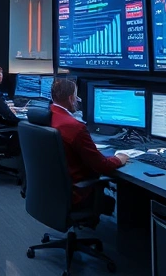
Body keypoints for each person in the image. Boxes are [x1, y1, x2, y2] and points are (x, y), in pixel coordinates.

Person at [49, 78, 128, 213]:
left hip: (51, 189)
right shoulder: (74, 127)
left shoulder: (47, 116)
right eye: (76, 96)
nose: (77, 100)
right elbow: (102, 165)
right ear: (71, 98)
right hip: (76, 192)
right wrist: (120, 158)